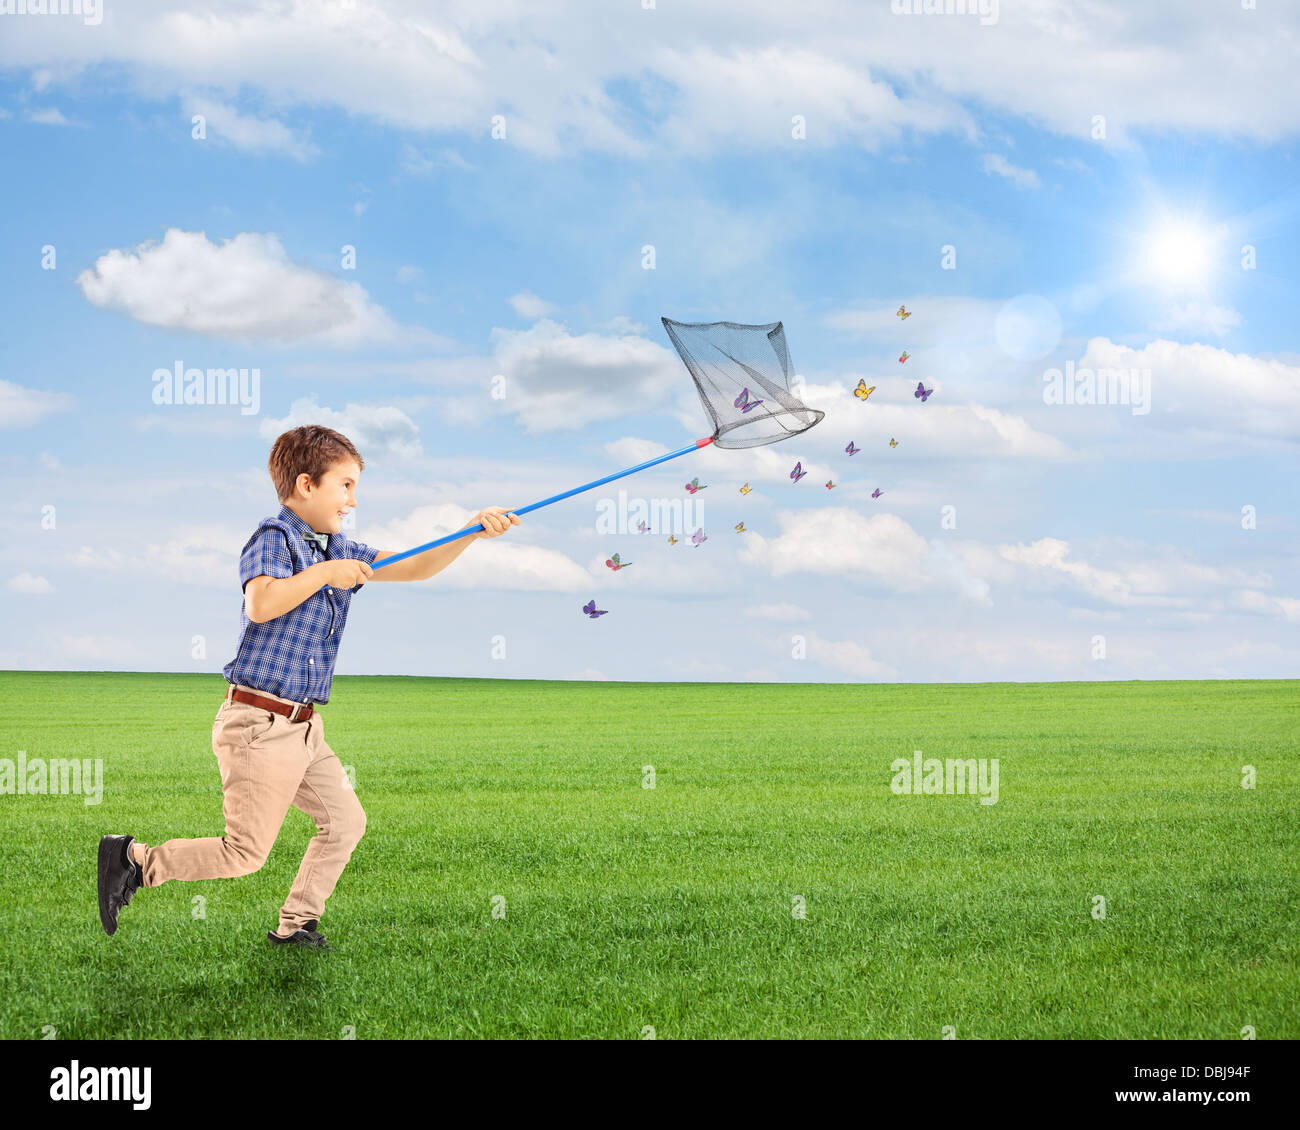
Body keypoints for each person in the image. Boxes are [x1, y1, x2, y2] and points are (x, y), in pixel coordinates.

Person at [97, 424, 520, 949]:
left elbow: (415, 566)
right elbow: (262, 603)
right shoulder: (275, 538)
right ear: (305, 485)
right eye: (344, 485)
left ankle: (296, 926)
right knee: (244, 855)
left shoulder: (340, 547)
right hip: (258, 723)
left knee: (345, 822)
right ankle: (134, 860)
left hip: (303, 727)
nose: (353, 499)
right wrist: (326, 574)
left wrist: (471, 531)